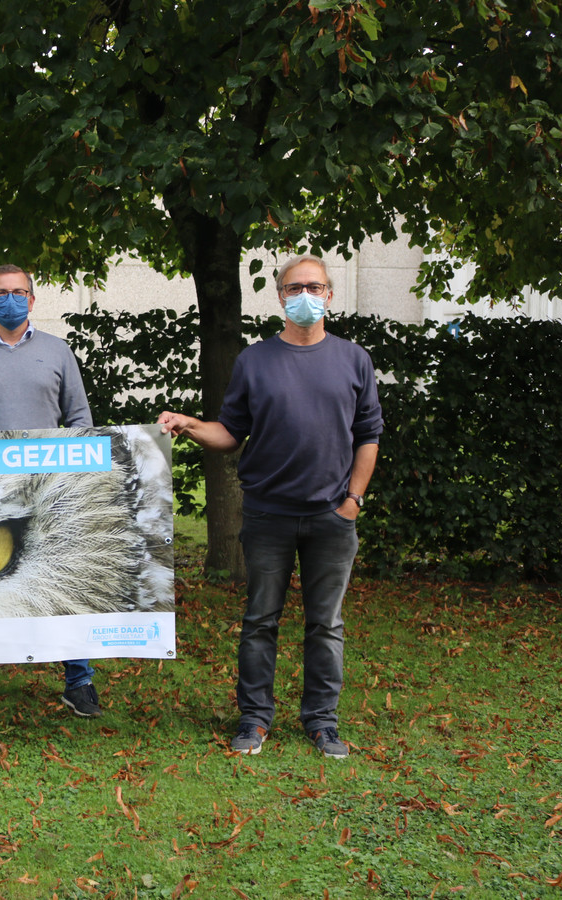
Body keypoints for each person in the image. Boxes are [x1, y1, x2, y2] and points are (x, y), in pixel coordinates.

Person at [158, 254, 382, 759]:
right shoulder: (253, 361)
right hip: (266, 516)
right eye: (295, 287)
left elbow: (368, 436)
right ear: (280, 296)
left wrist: (353, 501)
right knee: (260, 620)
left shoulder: (353, 360)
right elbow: (230, 432)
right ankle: (254, 720)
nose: (306, 294)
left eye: (316, 286)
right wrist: (190, 424)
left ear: (329, 295)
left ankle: (322, 722)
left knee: (326, 625)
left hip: (332, 517)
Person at [0, 263, 102, 719]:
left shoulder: (58, 351)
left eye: (18, 292)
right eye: (0, 293)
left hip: (46, 491)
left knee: (66, 582)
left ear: (33, 298)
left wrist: (70, 476)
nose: (9, 299)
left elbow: (80, 421)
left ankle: (79, 681)